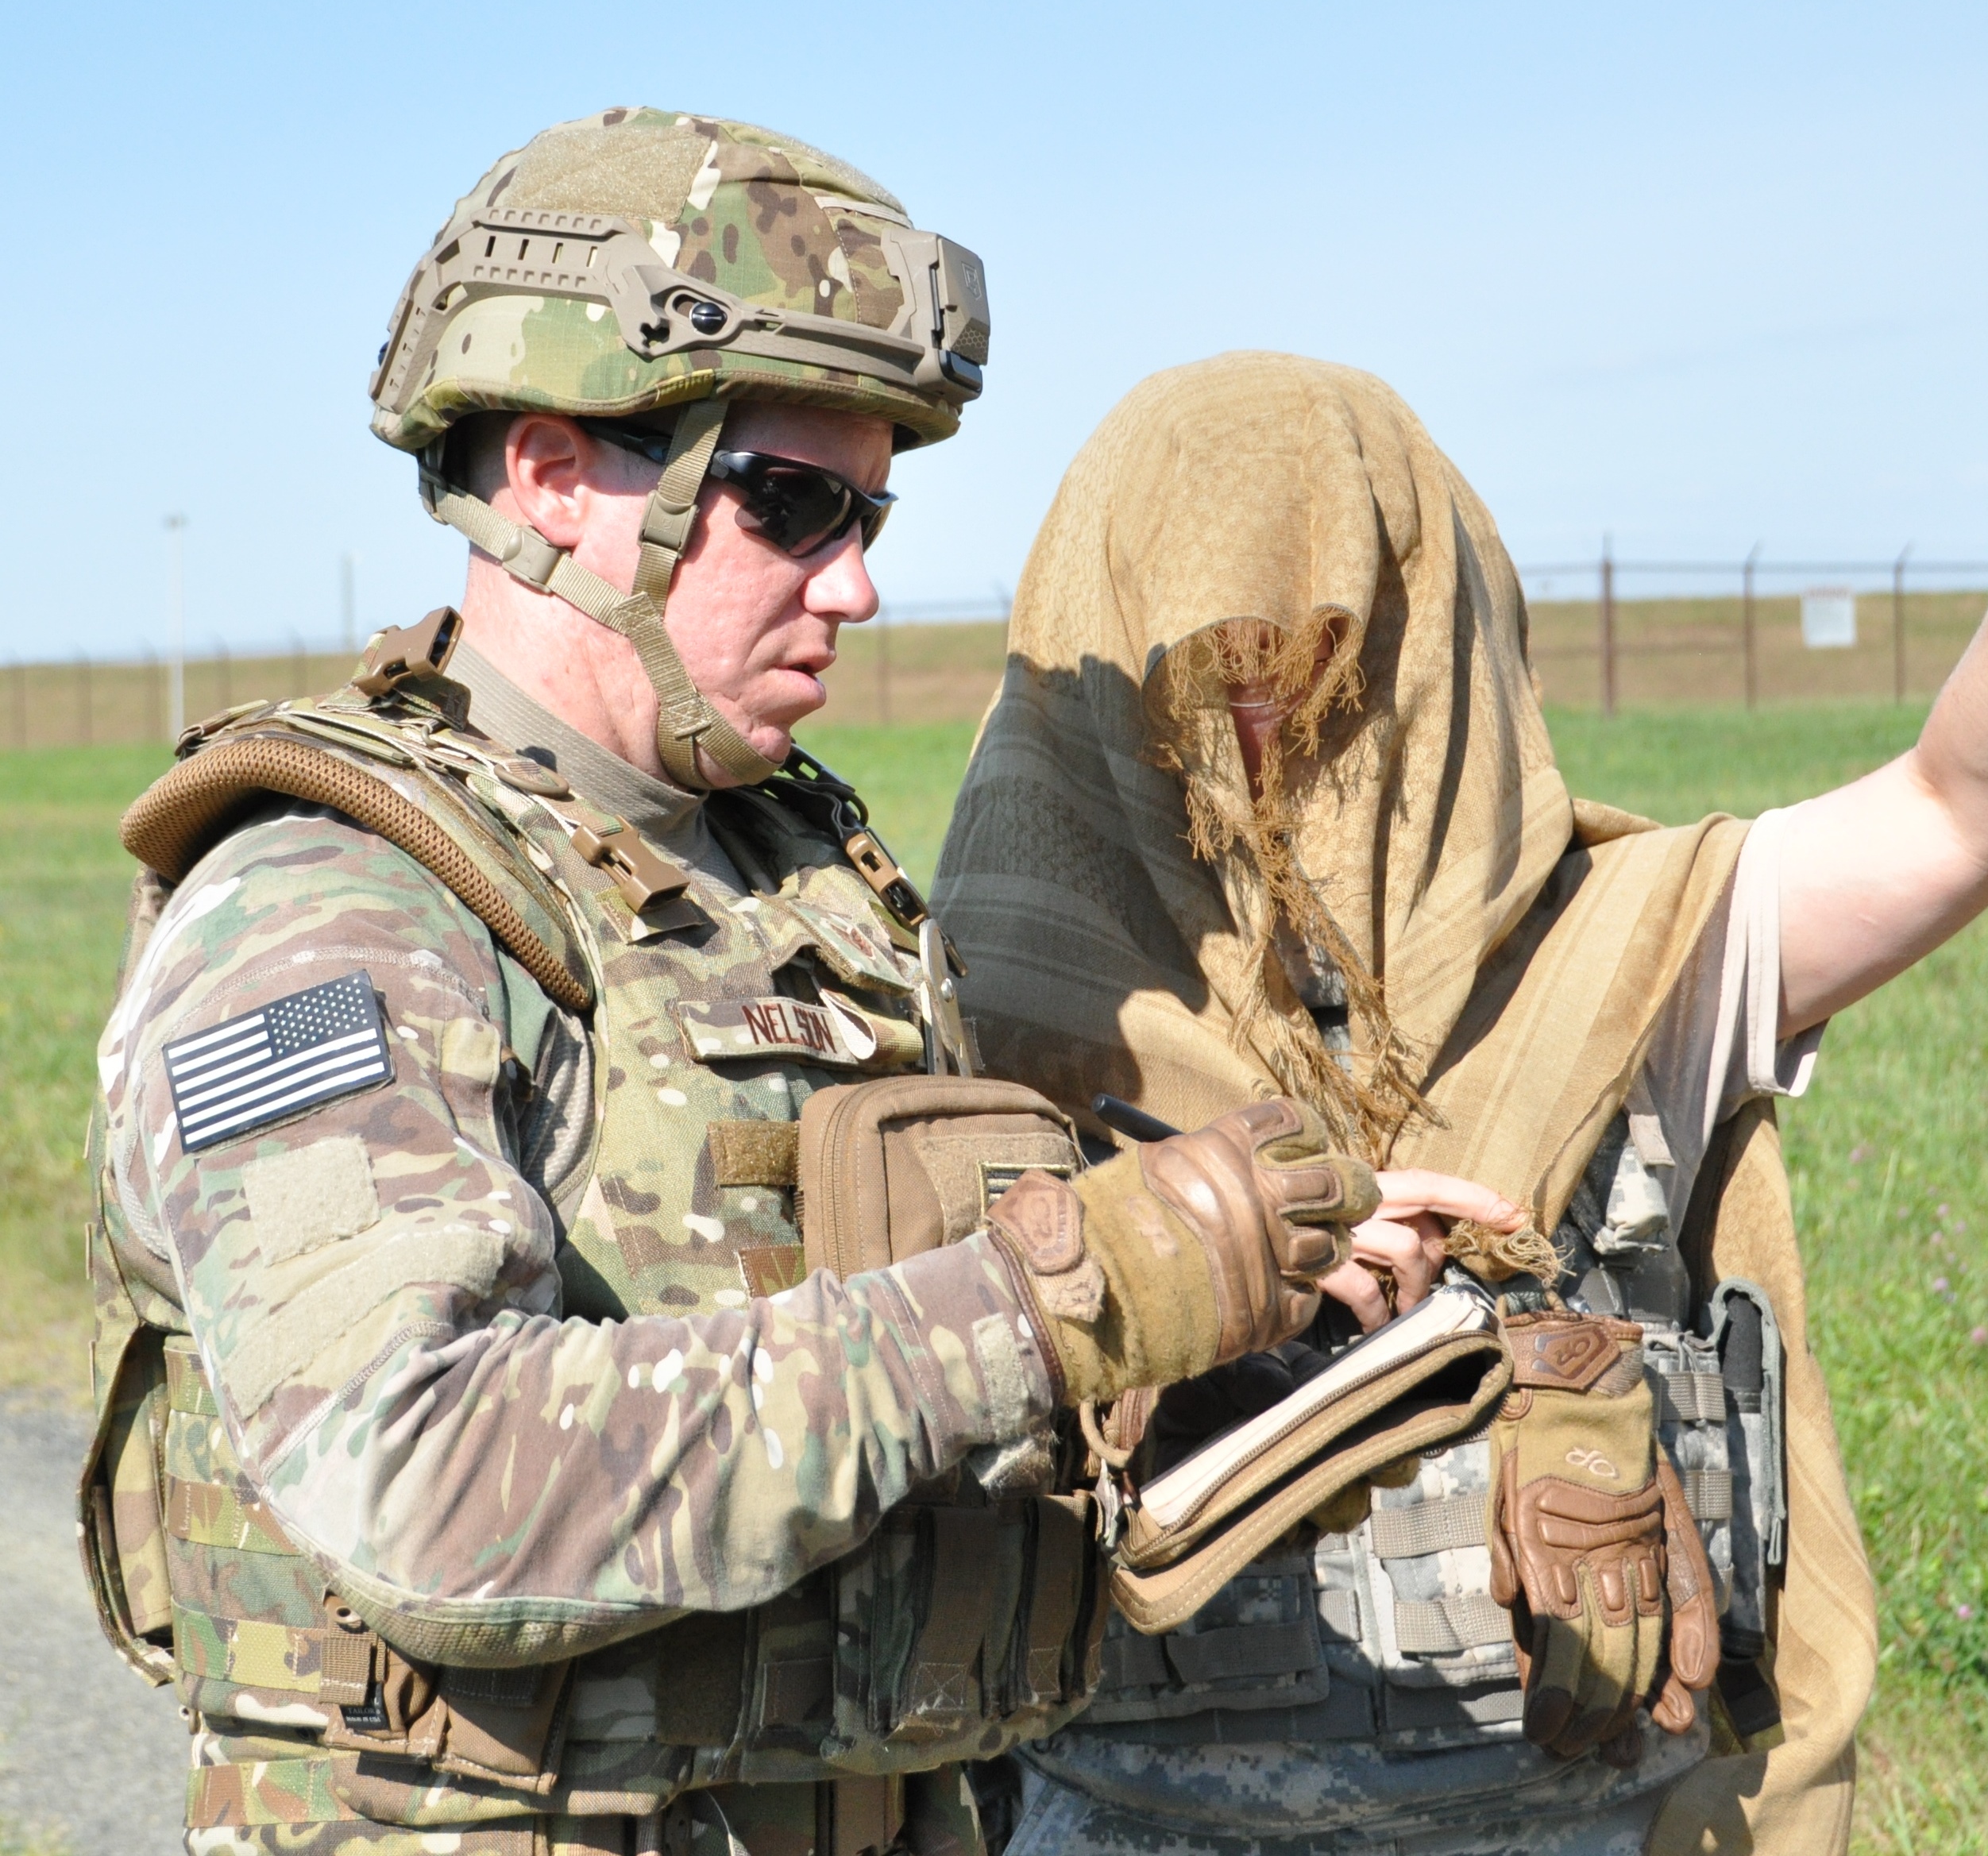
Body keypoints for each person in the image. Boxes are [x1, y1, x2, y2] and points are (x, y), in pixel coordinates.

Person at [79, 110, 1377, 1856]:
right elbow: (418, 1480)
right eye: (789, 502)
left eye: (870, 510)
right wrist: (1047, 1302)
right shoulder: (328, 899)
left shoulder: (797, 873)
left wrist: (1224, 1303)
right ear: (550, 477)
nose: (853, 580)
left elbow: (891, 1375)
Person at [934, 321, 1988, 1855]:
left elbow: (1964, 808)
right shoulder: (971, 1029)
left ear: (1430, 647)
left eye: (1324, 659)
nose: (1263, 727)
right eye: (1205, 675)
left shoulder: (1622, 958)